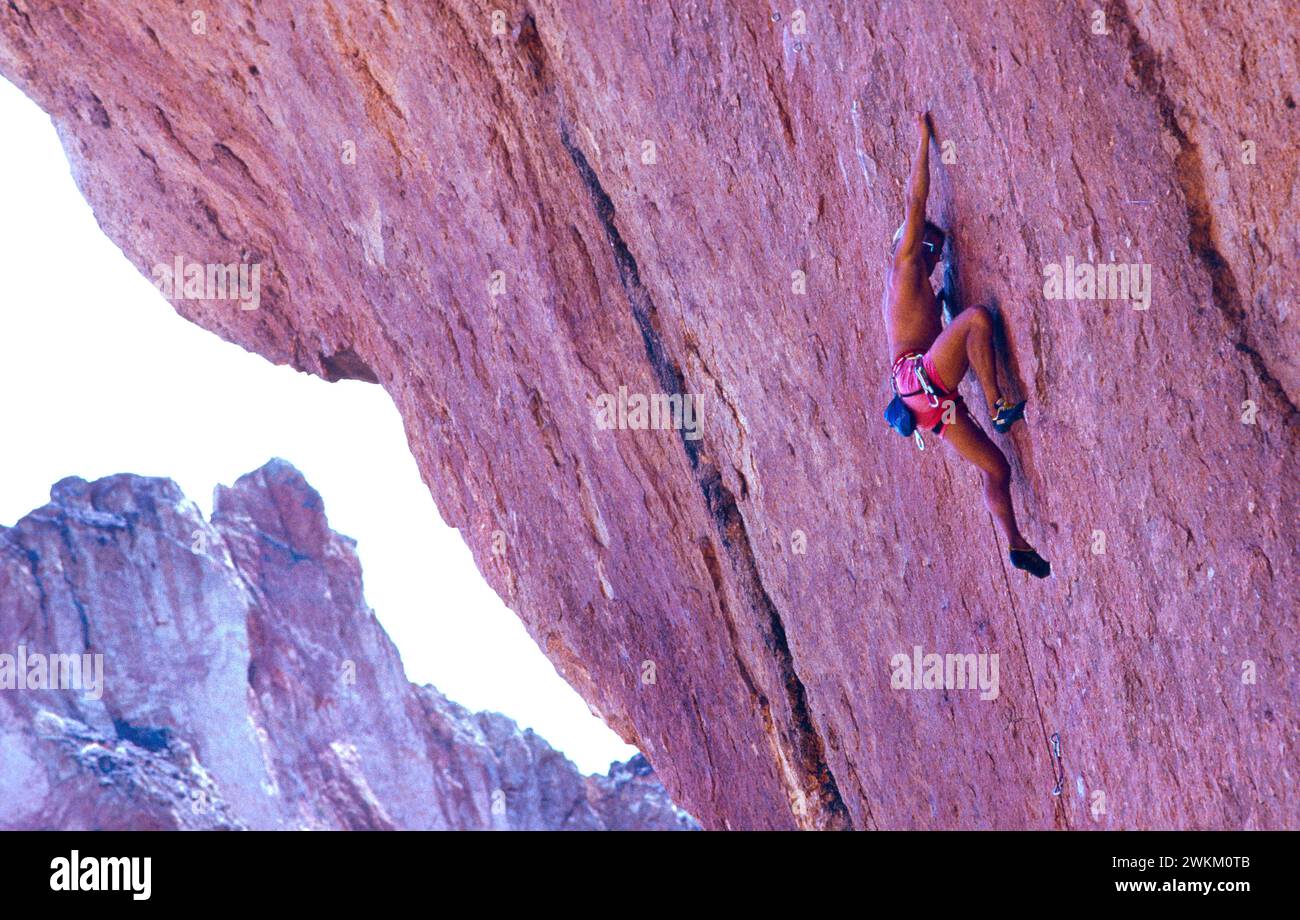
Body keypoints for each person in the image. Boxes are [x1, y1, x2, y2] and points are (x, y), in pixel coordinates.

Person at [882, 112, 1051, 578]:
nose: (936, 255)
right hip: (922, 382)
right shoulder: (903, 263)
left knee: (997, 467)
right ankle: (998, 405)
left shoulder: (910, 290)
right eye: (931, 247)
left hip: (928, 404)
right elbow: (916, 199)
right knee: (976, 320)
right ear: (911, 243)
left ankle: (1015, 542)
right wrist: (922, 139)